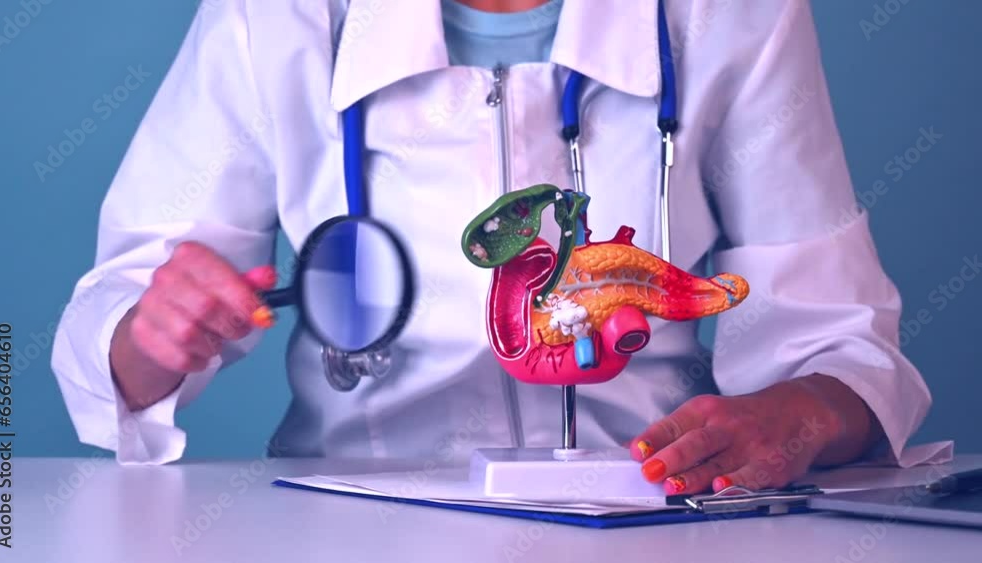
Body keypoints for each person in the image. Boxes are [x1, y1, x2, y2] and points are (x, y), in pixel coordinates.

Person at [51, 0, 932, 496]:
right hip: (351, 524)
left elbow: (841, 347)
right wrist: (153, 333)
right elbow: (114, 332)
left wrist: (799, 416)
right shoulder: (274, 17)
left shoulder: (730, 14)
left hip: (656, 514)